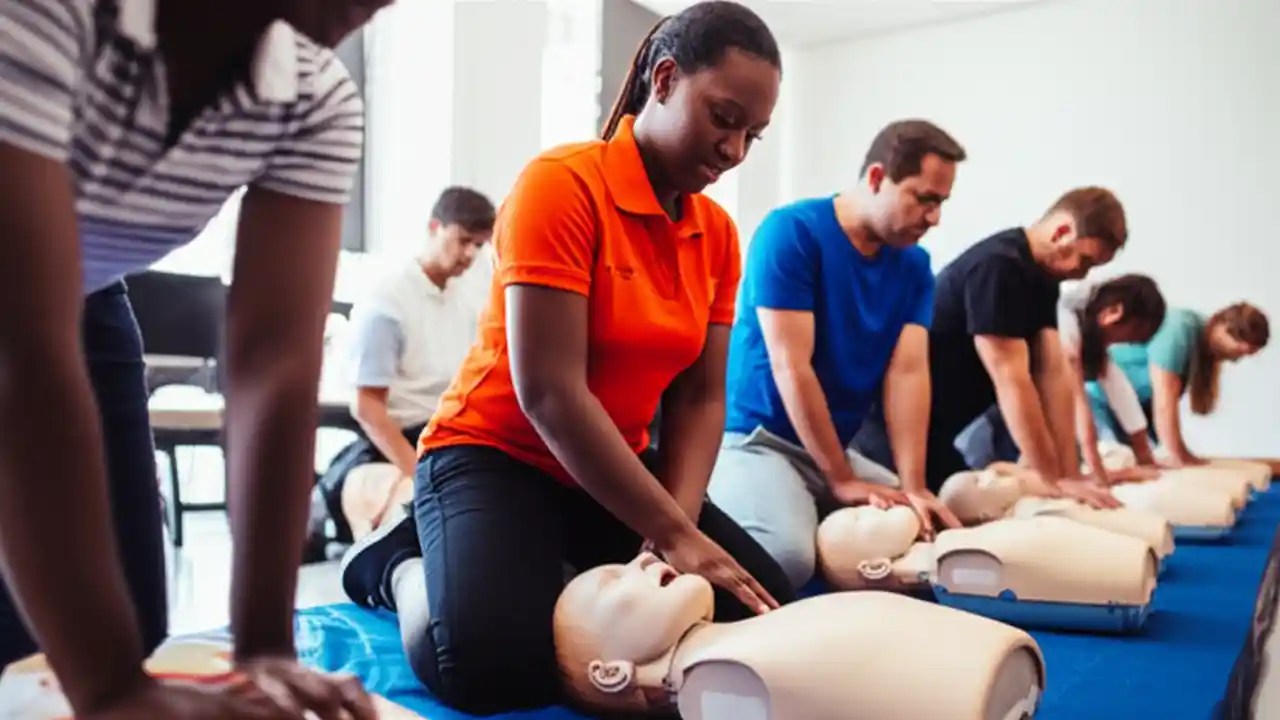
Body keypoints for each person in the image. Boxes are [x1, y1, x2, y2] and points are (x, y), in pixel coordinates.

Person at [338, 2, 793, 714]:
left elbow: (702, 398)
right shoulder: (563, 184)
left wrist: (669, 527)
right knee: (487, 664)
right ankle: (396, 562)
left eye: (752, 136)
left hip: (609, 466)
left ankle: (538, 562)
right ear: (665, 79)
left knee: (760, 610)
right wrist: (676, 535)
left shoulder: (718, 234)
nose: (734, 150)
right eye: (723, 118)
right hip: (494, 453)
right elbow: (549, 391)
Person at [0, 0, 391, 717]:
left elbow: (273, 363)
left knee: (129, 630)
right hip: (20, 318)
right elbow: (22, 349)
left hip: (88, 300)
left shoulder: (313, 96)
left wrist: (264, 648)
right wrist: (111, 686)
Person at [705, 119, 965, 589]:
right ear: (876, 178)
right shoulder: (792, 232)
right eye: (924, 198)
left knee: (928, 527)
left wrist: (913, 484)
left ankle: (812, 504)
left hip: (828, 448)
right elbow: (792, 365)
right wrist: (841, 479)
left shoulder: (914, 266)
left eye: (941, 202)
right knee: (783, 559)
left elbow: (908, 375)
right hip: (754, 439)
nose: (934, 218)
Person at [854, 187, 1129, 507]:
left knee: (976, 513)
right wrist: (1053, 480)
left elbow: (1053, 375)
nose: (1082, 273)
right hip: (888, 433)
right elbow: (1011, 380)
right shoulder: (998, 266)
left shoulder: (1042, 279)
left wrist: (1070, 473)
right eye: (1085, 260)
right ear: (1062, 231)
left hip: (935, 436)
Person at [307, 187, 495, 554]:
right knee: (428, 525)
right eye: (463, 240)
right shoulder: (388, 303)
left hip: (448, 439)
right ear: (434, 227)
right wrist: (419, 474)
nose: (470, 254)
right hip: (396, 448)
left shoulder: (464, 303)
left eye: (480, 245)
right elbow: (367, 407)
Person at [961, 274, 1168, 483]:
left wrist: (1145, 456)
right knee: (1034, 478)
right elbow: (1076, 396)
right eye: (1126, 337)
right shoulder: (1064, 319)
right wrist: (1098, 473)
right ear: (1113, 313)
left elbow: (1119, 390)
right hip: (996, 426)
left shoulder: (1092, 329)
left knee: (1053, 473)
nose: (1119, 344)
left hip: (1020, 422)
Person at [1094, 302, 1269, 466]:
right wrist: (1180, 455)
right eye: (1237, 352)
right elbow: (1164, 402)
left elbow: (1156, 408)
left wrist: (1180, 455)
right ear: (1221, 327)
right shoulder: (1179, 328)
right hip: (1099, 401)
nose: (1235, 360)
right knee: (1116, 459)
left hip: (1135, 412)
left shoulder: (1202, 346)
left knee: (1155, 463)